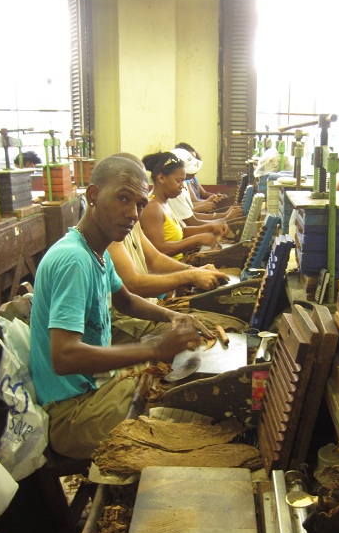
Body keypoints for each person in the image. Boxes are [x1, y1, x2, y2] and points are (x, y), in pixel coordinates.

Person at [29, 155, 209, 459]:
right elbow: (64, 356)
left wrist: (174, 315)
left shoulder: (94, 252)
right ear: (93, 195)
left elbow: (124, 299)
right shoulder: (73, 260)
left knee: (181, 393)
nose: (133, 214)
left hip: (96, 390)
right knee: (189, 421)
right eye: (123, 199)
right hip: (72, 414)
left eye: (139, 204)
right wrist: (154, 349)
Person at [140, 151, 229, 259]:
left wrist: (211, 227)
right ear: (161, 178)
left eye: (183, 181)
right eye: (179, 181)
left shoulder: (164, 203)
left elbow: (182, 232)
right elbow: (159, 249)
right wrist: (197, 239)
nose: (182, 186)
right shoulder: (152, 208)